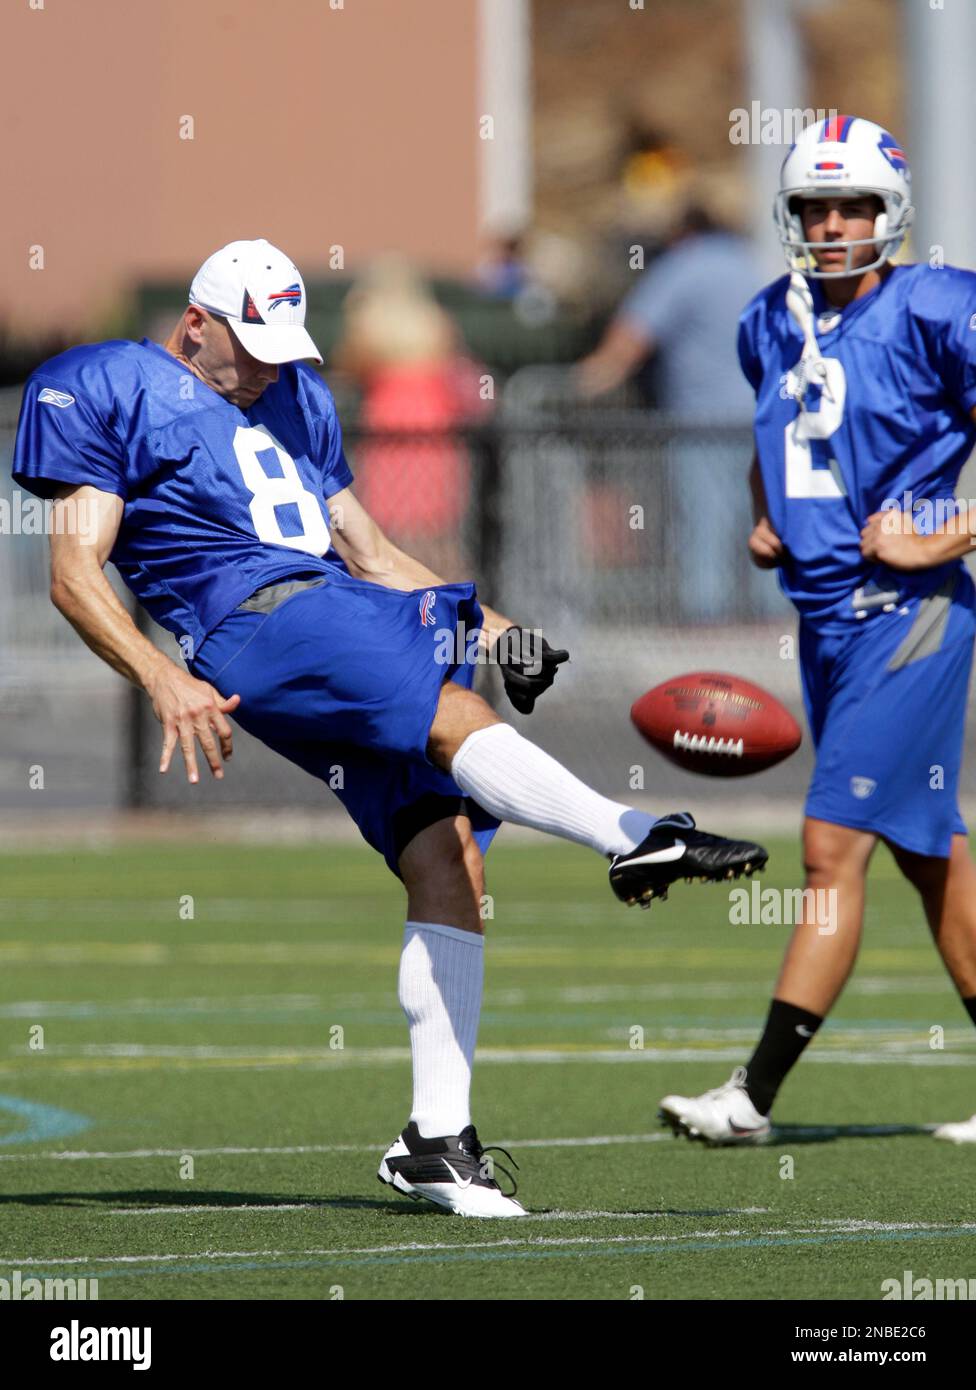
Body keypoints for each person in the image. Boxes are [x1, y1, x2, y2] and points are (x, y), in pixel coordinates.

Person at [12, 238, 768, 1215]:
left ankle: (436, 1139)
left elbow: (370, 552)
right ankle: (631, 836)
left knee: (445, 852)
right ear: (194, 320)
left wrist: (502, 633)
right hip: (252, 620)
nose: (270, 364)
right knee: (453, 713)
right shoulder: (109, 379)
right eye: (251, 342)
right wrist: (160, 675)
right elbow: (74, 571)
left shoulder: (297, 397)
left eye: (283, 344)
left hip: (330, 609)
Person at [656, 117, 976, 1146]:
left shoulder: (938, 306)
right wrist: (768, 513)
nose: (833, 225)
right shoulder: (767, 318)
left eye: (853, 207)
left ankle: (750, 1096)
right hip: (824, 621)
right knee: (935, 857)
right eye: (814, 208)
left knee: (830, 846)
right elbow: (775, 438)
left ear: (892, 214)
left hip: (910, 616)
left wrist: (951, 533)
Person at [576, 202, 773, 622]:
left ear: (683, 233)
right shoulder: (751, 266)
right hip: (762, 418)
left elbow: (630, 336)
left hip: (701, 422)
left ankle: (706, 620)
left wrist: (583, 382)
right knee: (762, 516)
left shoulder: (685, 266)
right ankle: (768, 621)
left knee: (702, 519)